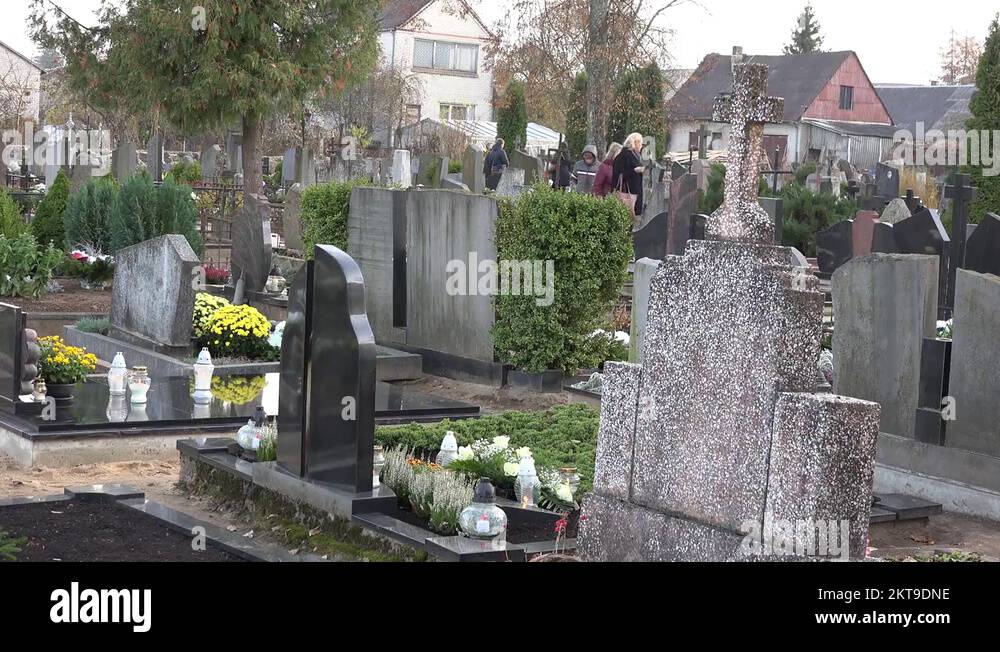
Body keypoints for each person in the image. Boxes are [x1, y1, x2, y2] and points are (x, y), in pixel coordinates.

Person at [612, 132, 645, 218]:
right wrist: (634, 171)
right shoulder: (624, 155)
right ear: (635, 142)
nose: (641, 146)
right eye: (640, 143)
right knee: (628, 216)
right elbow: (619, 173)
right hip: (627, 192)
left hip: (633, 192)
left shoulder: (635, 155)